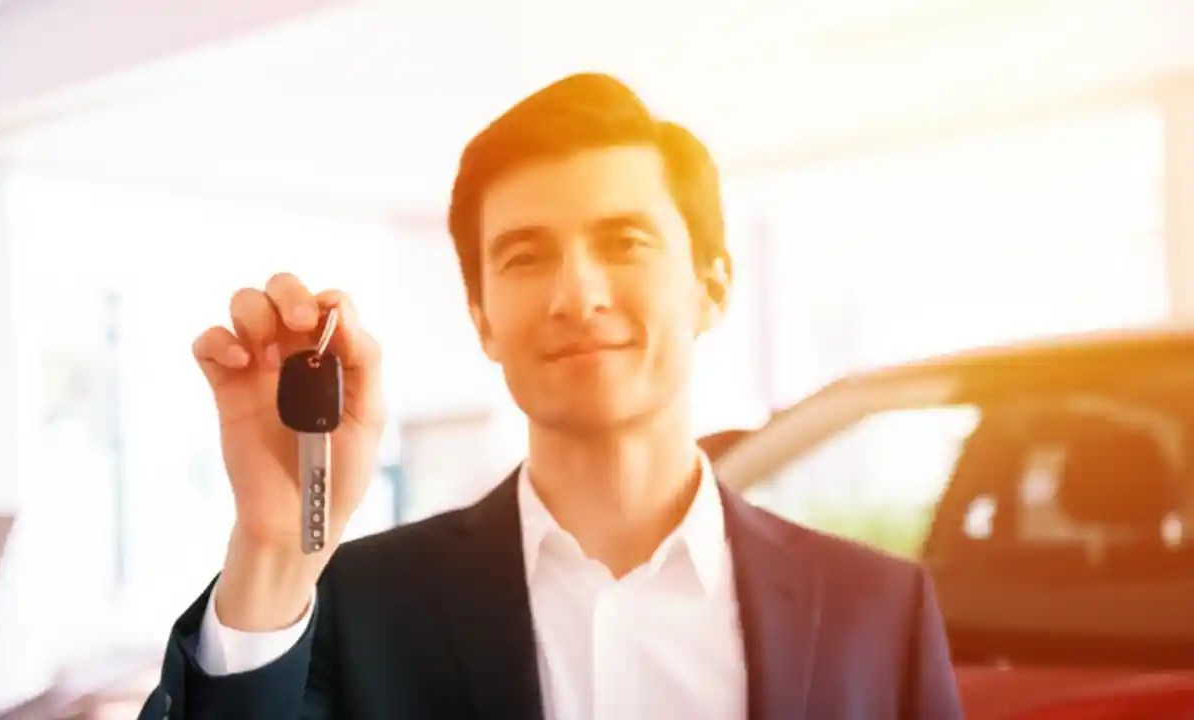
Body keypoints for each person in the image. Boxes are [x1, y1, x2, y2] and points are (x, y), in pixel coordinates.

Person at [137, 72, 963, 720]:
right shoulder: (359, 610)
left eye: (624, 242)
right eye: (526, 257)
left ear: (712, 286)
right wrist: (277, 544)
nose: (577, 295)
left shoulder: (875, 614)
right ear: (483, 319)